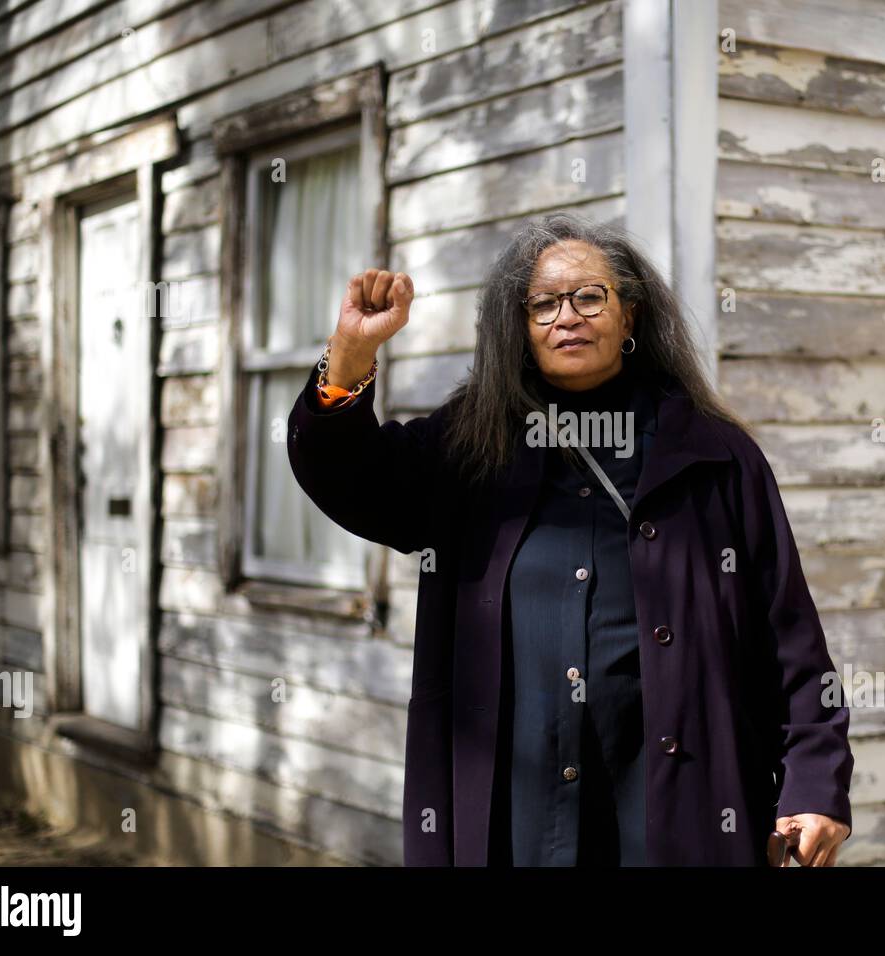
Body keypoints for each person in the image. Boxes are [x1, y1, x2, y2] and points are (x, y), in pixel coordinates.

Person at [286, 212, 853, 866]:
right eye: (543, 304)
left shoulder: (714, 458)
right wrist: (350, 354)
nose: (567, 317)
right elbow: (349, 479)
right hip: (513, 821)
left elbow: (790, 638)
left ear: (630, 317)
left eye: (589, 296)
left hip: (681, 815)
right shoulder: (470, 446)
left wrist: (814, 781)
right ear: (519, 328)